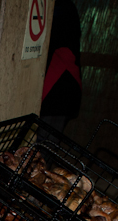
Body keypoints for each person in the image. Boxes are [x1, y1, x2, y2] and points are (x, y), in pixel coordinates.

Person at [40, 0, 82, 133]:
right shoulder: (60, 8)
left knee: (45, 147)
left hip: (58, 92)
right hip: (57, 92)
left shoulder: (62, 9)